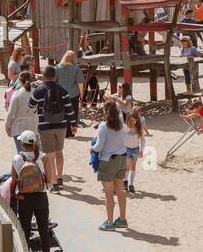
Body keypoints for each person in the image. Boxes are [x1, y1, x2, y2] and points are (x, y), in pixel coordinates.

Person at [11, 130, 55, 252]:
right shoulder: (43, 157)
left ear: (22, 144)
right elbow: (50, 178)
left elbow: (14, 180)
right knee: (43, 228)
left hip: (24, 198)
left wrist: (14, 194)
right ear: (34, 143)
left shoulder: (17, 158)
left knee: (25, 229)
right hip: (40, 197)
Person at [31, 65, 70, 192]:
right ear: (55, 76)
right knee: (59, 152)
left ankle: (53, 183)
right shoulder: (63, 90)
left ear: (43, 76)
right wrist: (73, 123)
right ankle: (60, 177)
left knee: (50, 155)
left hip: (45, 125)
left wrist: (36, 88)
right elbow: (69, 108)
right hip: (61, 125)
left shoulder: (39, 90)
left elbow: (31, 104)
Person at [92, 101, 129, 230]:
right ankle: (123, 219)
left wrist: (92, 148)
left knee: (108, 194)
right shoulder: (120, 121)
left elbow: (99, 146)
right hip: (121, 158)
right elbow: (119, 108)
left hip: (108, 160)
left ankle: (109, 222)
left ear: (105, 112)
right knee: (120, 190)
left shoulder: (103, 126)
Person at [5, 71, 37, 149]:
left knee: (22, 155)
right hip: (33, 127)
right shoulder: (36, 93)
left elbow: (11, 112)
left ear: (19, 81)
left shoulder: (17, 94)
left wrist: (7, 125)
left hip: (19, 128)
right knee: (34, 155)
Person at [55, 50, 83, 134]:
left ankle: (62, 131)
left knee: (62, 112)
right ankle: (71, 131)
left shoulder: (57, 67)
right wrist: (81, 94)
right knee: (73, 112)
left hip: (60, 94)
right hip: (73, 94)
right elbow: (80, 83)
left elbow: (55, 81)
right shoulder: (76, 67)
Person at [124, 109, 146, 194]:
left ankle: (131, 184)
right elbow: (121, 139)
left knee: (133, 167)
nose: (132, 122)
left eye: (134, 120)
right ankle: (125, 181)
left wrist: (141, 150)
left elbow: (143, 140)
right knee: (128, 166)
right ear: (128, 120)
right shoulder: (125, 128)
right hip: (126, 150)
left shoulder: (139, 129)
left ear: (137, 120)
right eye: (130, 120)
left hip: (135, 150)